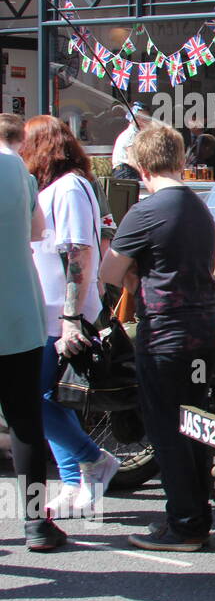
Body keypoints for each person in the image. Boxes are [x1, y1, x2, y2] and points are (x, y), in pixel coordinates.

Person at [100, 120, 215, 552]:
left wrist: (133, 276)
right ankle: (197, 517)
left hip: (166, 332)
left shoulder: (145, 212)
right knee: (195, 424)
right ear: (180, 159)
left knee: (167, 428)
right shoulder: (198, 207)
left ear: (139, 164)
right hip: (204, 330)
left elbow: (108, 272)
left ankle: (184, 526)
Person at [24, 115, 120, 515]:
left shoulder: (68, 189)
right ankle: (72, 480)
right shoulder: (60, 188)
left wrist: (70, 317)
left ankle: (93, 459)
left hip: (59, 314)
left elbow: (78, 251)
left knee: (38, 399)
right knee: (53, 399)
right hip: (46, 310)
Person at [1, 142, 65, 549]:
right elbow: (38, 231)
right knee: (25, 422)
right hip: (17, 311)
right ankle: (35, 524)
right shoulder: (16, 172)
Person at [110, 106, 143, 181]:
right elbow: (132, 161)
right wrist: (146, 174)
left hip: (123, 170)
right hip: (125, 171)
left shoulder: (134, 132)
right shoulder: (131, 134)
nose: (145, 120)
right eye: (142, 118)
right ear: (135, 119)